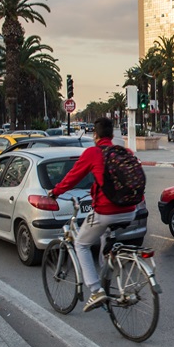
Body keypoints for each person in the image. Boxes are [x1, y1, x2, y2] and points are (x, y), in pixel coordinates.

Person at [48, 117, 138, 312]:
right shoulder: (125, 152)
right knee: (106, 240)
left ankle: (96, 290)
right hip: (131, 210)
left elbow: (72, 178)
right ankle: (110, 279)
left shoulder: (93, 153)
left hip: (106, 211)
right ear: (112, 135)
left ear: (94, 135)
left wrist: (55, 192)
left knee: (81, 243)